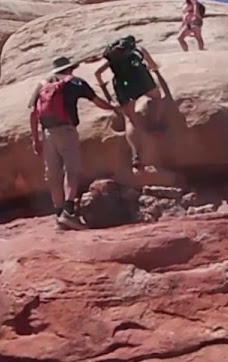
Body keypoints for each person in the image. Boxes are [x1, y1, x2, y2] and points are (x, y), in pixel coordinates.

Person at [29, 56, 119, 230]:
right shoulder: (75, 83)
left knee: (53, 173)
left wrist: (35, 139)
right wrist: (114, 107)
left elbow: (33, 113)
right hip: (66, 130)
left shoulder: (42, 84)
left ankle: (58, 213)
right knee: (71, 169)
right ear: (70, 69)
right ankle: (68, 212)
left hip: (48, 132)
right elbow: (98, 102)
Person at [94, 36, 165, 173]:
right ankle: (155, 125)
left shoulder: (113, 58)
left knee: (130, 118)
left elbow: (97, 73)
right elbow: (152, 65)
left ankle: (136, 155)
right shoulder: (138, 50)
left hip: (123, 85)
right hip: (141, 80)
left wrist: (104, 90)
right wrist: (155, 71)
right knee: (156, 97)